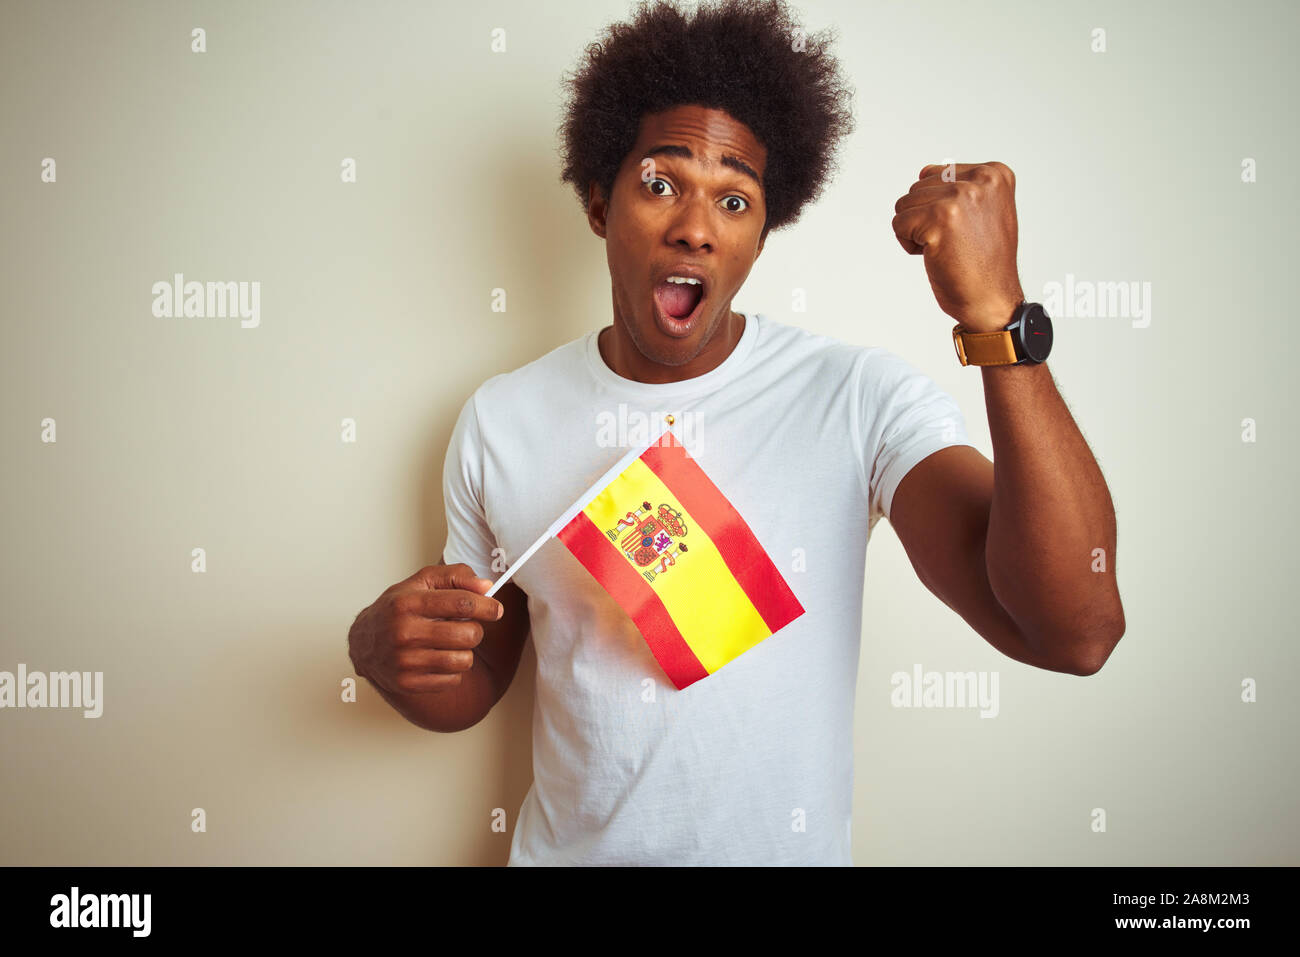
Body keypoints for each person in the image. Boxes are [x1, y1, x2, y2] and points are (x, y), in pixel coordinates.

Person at [347, 0, 1125, 866]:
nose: (695, 225)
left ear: (762, 233)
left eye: (734, 198)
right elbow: (479, 680)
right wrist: (385, 656)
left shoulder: (855, 398)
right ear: (600, 204)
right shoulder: (503, 418)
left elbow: (1076, 632)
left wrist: (999, 319)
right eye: (659, 182)